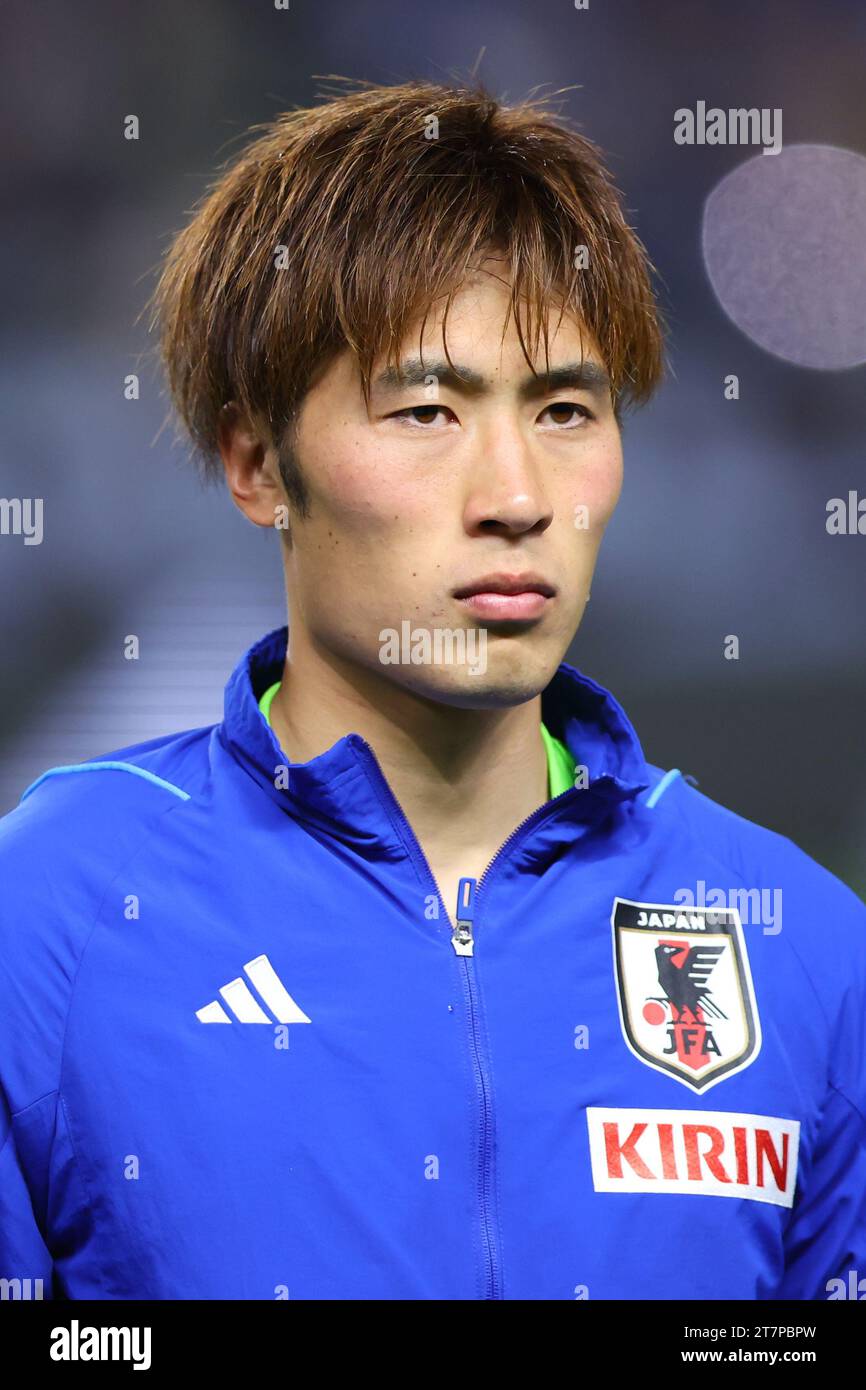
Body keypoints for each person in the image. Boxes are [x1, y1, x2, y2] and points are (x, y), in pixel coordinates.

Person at [0, 78, 863, 1302]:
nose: (515, 494)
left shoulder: (802, 943)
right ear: (257, 463)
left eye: (565, 408)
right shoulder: (48, 916)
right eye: (424, 408)